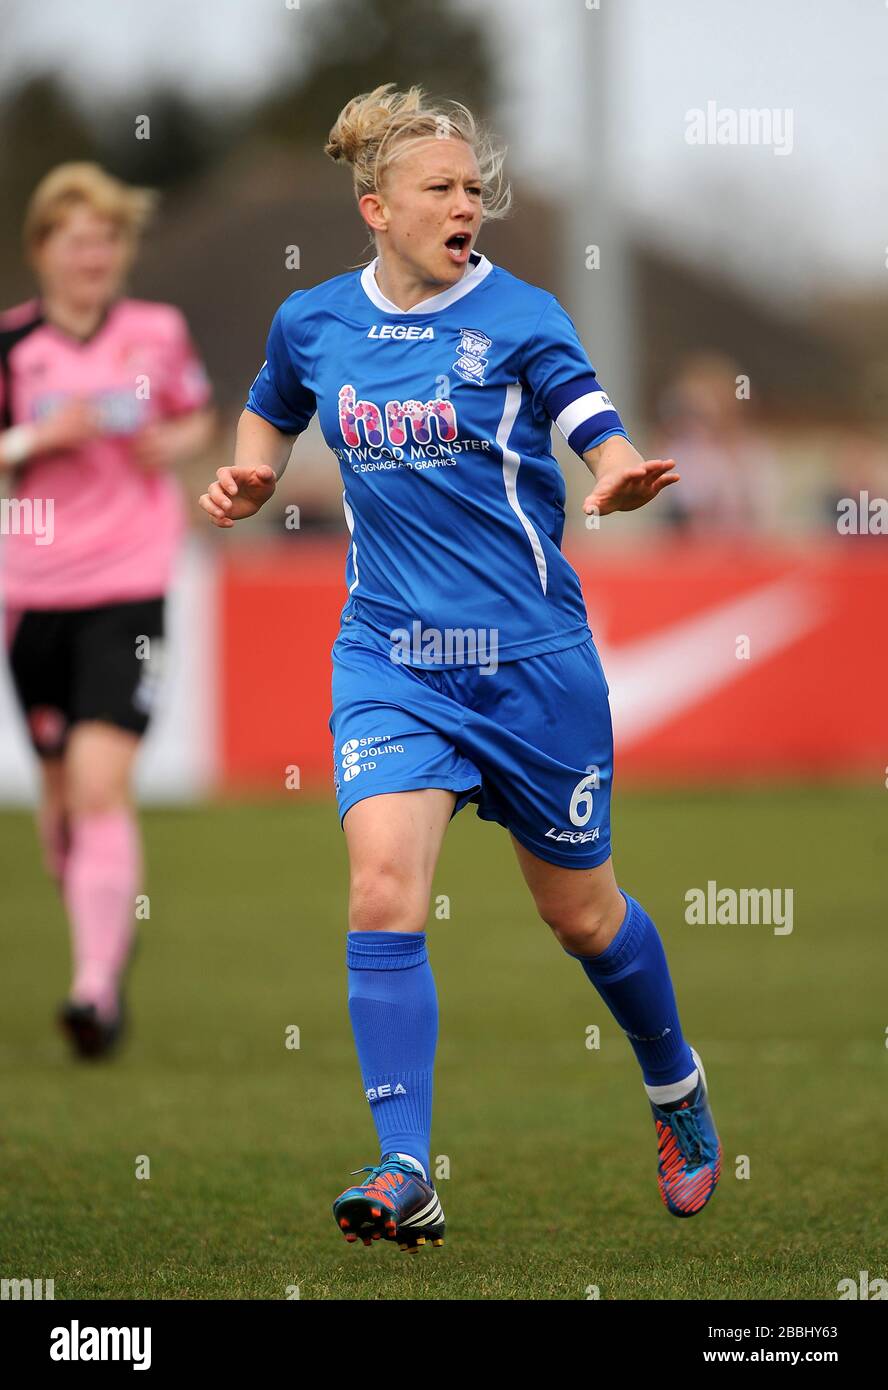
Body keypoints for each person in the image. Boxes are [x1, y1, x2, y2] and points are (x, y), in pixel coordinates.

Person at [199, 84, 721, 1250]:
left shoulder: (524, 314)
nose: (466, 204)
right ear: (376, 207)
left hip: (529, 664)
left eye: (475, 188)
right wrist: (251, 475)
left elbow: (591, 416)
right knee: (383, 885)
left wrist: (621, 470)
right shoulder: (314, 319)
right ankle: (403, 1165)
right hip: (390, 657)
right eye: (441, 188)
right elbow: (269, 406)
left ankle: (675, 1085)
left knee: (583, 916)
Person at [0, 163, 215, 1059]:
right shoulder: (13, 345)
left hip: (130, 583)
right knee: (59, 804)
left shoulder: (155, 333)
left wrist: (176, 438)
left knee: (98, 780)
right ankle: (104, 954)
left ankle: (91, 988)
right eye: (76, 239)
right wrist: (35, 439)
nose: (94, 256)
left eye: (108, 240)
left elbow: (198, 414)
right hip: (33, 593)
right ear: (43, 248)